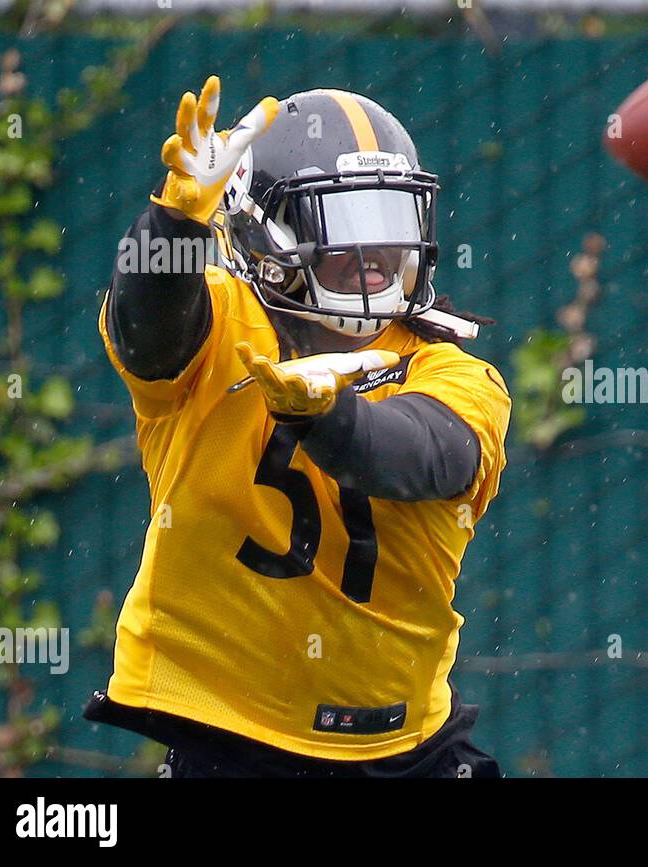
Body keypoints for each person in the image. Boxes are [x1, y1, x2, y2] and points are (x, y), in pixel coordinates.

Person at [83, 77, 511, 778]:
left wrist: (331, 419)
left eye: (389, 216)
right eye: (342, 222)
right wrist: (175, 226)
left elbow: (423, 455)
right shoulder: (220, 323)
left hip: (406, 744)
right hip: (230, 733)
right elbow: (147, 332)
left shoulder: (453, 370)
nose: (374, 249)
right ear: (262, 230)